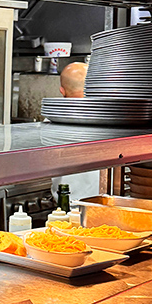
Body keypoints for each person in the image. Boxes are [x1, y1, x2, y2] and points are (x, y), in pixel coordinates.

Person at [52, 60, 100, 201]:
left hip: (66, 203)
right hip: (102, 203)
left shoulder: (52, 120)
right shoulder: (107, 117)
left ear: (62, 90)